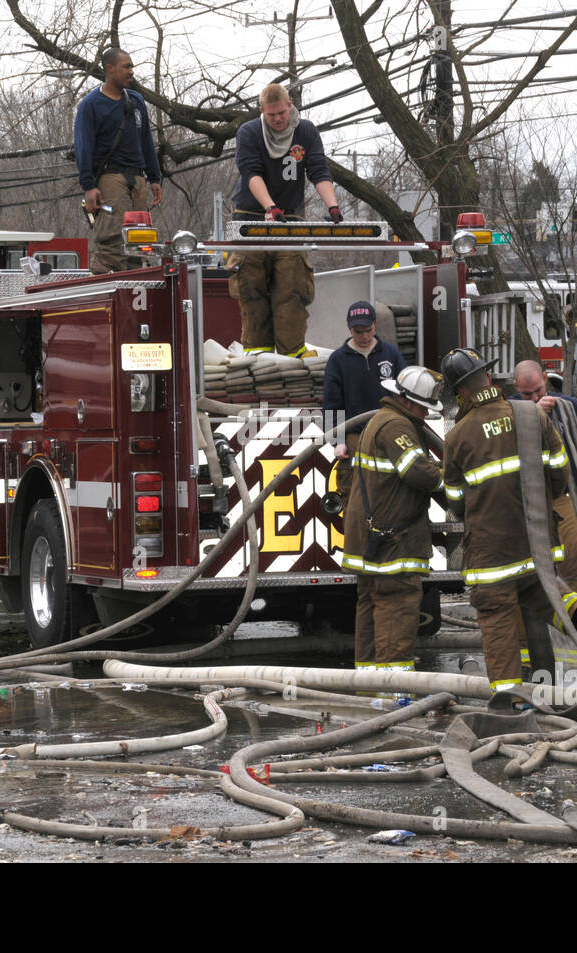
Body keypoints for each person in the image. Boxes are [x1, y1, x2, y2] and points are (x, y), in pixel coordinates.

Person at [441, 347, 570, 710]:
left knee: (497, 618)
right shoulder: (531, 415)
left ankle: (510, 700)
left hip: (491, 551)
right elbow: (560, 472)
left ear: (460, 392)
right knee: (537, 607)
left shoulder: (457, 436)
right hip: (537, 542)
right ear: (488, 378)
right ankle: (550, 689)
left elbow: (454, 500)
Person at [341, 366, 444, 673]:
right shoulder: (397, 426)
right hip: (393, 541)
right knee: (397, 603)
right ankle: (393, 688)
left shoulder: (381, 420)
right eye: (424, 409)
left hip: (372, 536)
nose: (426, 415)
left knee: (371, 603)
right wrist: (447, 478)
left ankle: (369, 682)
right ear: (410, 402)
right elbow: (416, 471)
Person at [229, 83, 342, 359]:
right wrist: (270, 207)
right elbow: (250, 172)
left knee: (292, 285)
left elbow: (318, 169)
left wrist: (334, 207)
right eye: (271, 115)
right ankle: (258, 353)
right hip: (250, 219)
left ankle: (293, 352)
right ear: (261, 112)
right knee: (251, 286)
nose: (278, 119)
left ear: (290, 106)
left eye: (281, 112)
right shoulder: (249, 132)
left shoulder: (306, 131)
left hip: (290, 219)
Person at [510, 360, 577, 659]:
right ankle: (527, 651)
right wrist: (532, 414)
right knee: (523, 570)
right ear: (516, 388)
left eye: (538, 390)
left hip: (559, 495)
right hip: (521, 501)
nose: (533, 398)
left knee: (572, 561)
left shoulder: (569, 408)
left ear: (545, 379)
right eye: (526, 394)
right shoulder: (508, 412)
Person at [74, 49, 163, 274]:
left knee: (138, 245)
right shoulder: (91, 105)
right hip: (110, 178)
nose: (131, 72)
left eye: (132, 67)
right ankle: (106, 293)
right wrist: (88, 186)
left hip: (138, 178)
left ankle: (133, 293)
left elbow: (146, 140)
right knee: (113, 241)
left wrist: (154, 177)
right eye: (126, 67)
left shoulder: (136, 101)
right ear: (110, 69)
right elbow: (83, 147)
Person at [323, 301, 405, 511]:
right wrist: (337, 442)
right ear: (349, 329)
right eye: (358, 332)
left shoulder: (391, 355)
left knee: (392, 494)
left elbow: (405, 396)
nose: (364, 336)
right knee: (354, 500)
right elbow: (332, 405)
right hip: (354, 439)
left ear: (375, 325)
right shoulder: (337, 360)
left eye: (368, 330)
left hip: (389, 435)